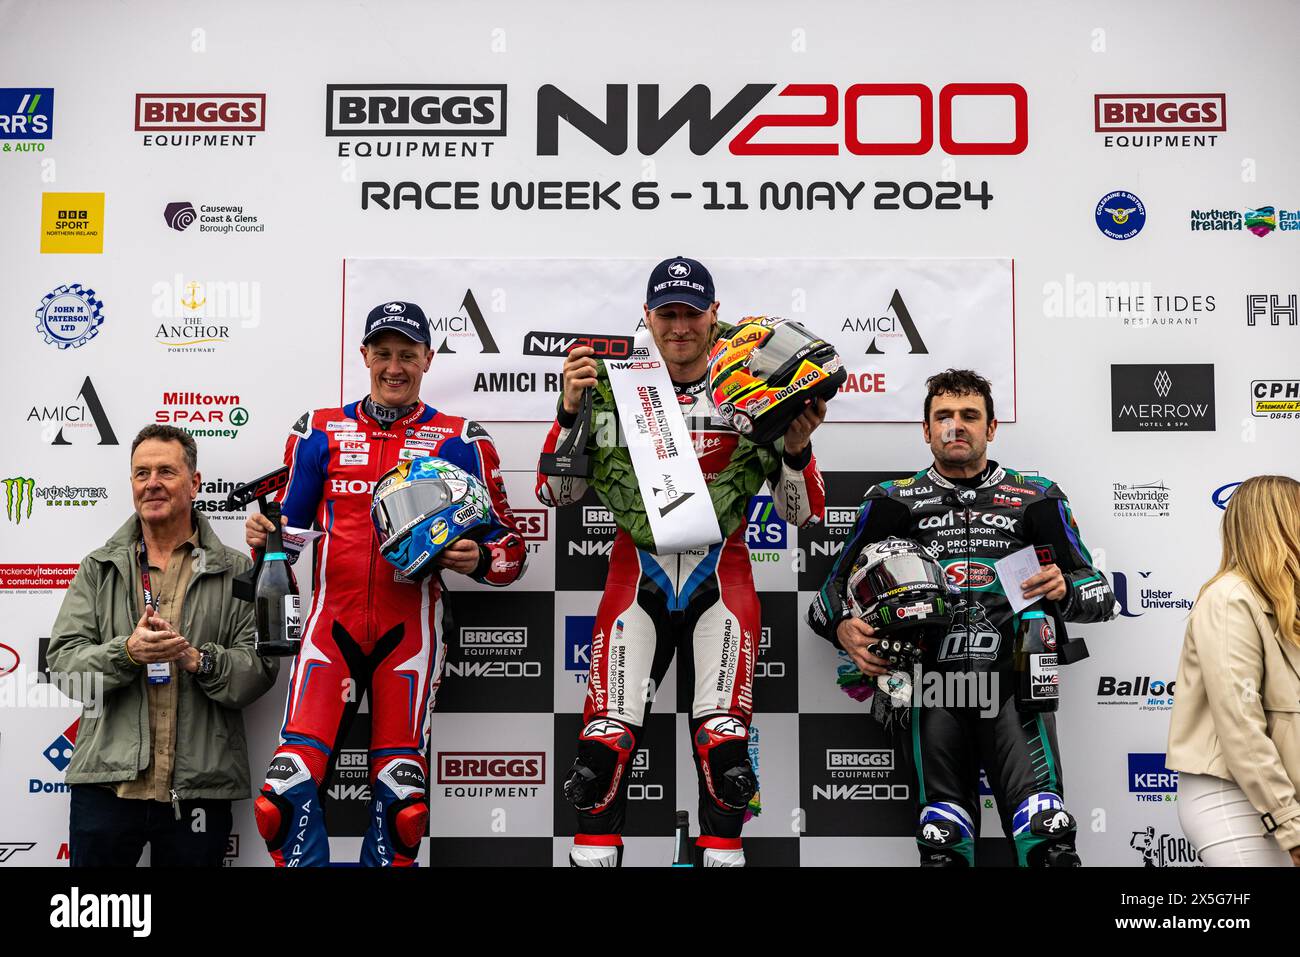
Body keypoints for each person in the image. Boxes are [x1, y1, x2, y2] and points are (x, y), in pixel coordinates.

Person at [537, 257, 827, 867]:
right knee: (600, 752)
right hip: (634, 575)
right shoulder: (612, 386)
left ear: (712, 314)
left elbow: (801, 516)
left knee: (726, 755)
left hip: (721, 577)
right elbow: (555, 495)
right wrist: (568, 412)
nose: (678, 327)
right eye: (666, 313)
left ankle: (720, 849)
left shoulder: (755, 382)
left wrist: (797, 448)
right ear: (646, 316)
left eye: (690, 313)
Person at [247, 300, 527, 867]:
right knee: (280, 798)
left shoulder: (461, 438)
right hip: (330, 627)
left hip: (412, 635)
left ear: (427, 358)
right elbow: (292, 536)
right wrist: (267, 534)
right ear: (365, 356)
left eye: (407, 354)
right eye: (383, 353)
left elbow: (511, 553)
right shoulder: (317, 430)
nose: (394, 366)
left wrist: (477, 559)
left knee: (404, 810)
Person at [806, 368, 1116, 866]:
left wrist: (1065, 589)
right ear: (925, 431)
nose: (956, 426)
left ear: (991, 428)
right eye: (943, 417)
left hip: (1017, 691)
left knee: (1049, 840)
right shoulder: (892, 500)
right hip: (929, 691)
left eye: (970, 416)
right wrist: (845, 630)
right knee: (944, 845)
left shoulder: (1036, 496)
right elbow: (828, 596)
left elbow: (1100, 595)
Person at [47, 425, 278, 867]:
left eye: (166, 471)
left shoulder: (239, 572)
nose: (151, 483)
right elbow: (63, 664)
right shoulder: (99, 568)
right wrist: (127, 654)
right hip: (107, 789)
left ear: (194, 483)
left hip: (198, 790)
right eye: (141, 473)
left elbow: (260, 668)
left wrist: (199, 659)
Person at [1167, 474, 1300, 866]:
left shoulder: (1283, 601)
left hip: (1276, 798)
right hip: (1234, 799)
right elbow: (1240, 724)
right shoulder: (1229, 599)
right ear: (1279, 524)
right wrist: (1289, 823)